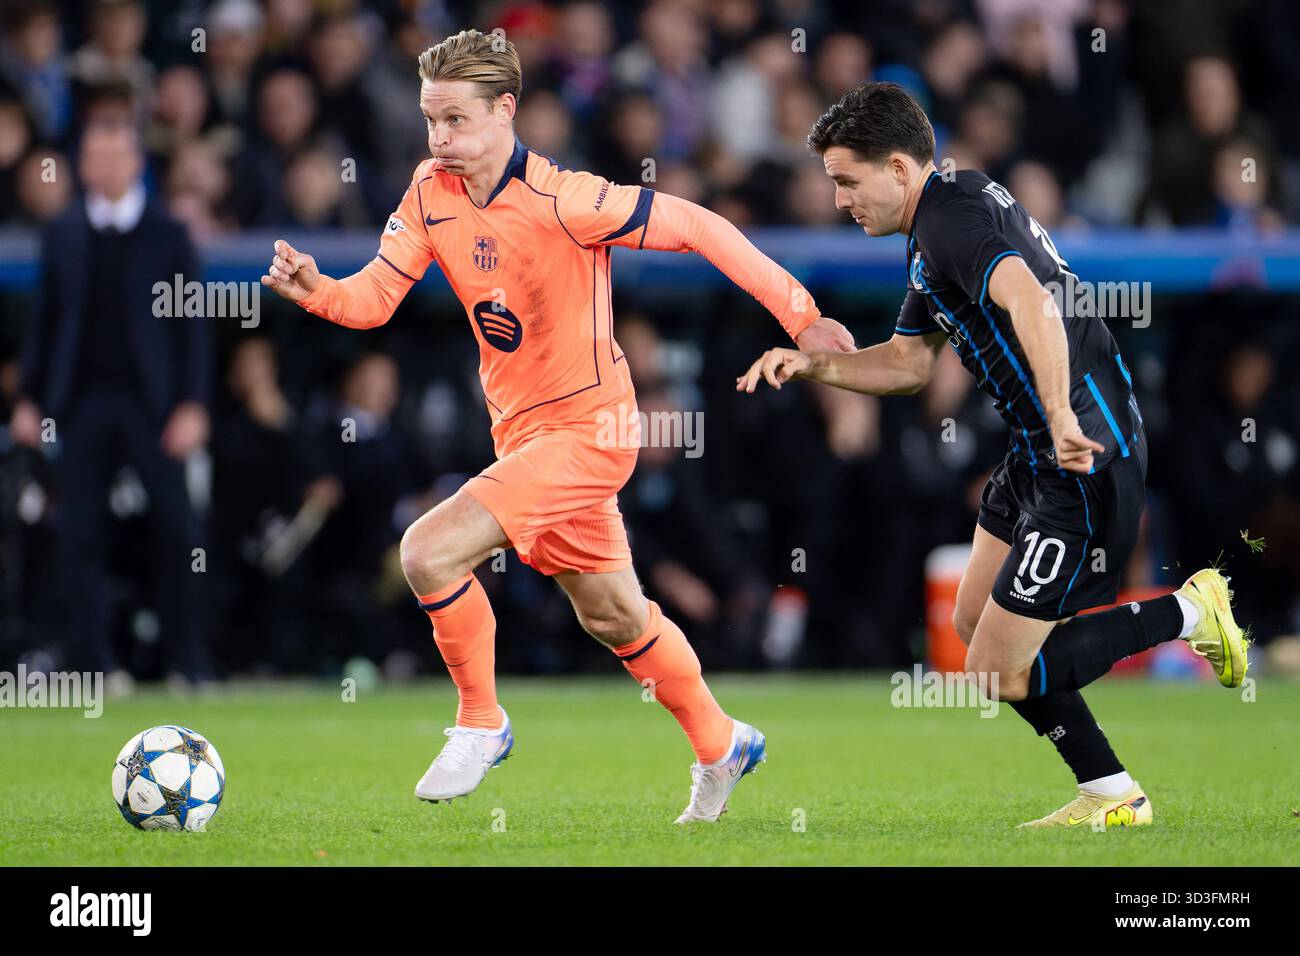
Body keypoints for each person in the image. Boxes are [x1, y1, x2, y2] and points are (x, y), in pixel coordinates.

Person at [261, 29, 854, 823]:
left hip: (592, 433)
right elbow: (373, 299)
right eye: (431, 120)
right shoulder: (430, 191)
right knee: (613, 614)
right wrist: (318, 291)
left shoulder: (565, 200)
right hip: (523, 439)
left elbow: (698, 226)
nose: (440, 138)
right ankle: (722, 743)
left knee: (428, 551)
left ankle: (482, 721)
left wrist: (803, 317)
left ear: (505, 111)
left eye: (456, 120)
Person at [737, 82, 1249, 829]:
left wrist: (1058, 413)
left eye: (847, 181)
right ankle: (1112, 793)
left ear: (899, 169)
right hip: (1037, 448)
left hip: (1080, 450)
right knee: (974, 621)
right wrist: (811, 364)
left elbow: (1034, 303)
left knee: (995, 673)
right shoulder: (941, 219)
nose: (841, 200)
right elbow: (909, 365)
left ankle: (1189, 610)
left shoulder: (951, 222)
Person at [10, 120, 212, 686]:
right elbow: (46, 323)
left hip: (155, 407)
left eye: (115, 154)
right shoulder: (64, 232)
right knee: (79, 534)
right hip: (82, 404)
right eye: (93, 155)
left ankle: (186, 661)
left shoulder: (169, 233)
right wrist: (29, 398)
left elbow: (193, 329)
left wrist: (193, 404)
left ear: (136, 162)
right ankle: (95, 664)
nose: (103, 166)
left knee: (178, 531)